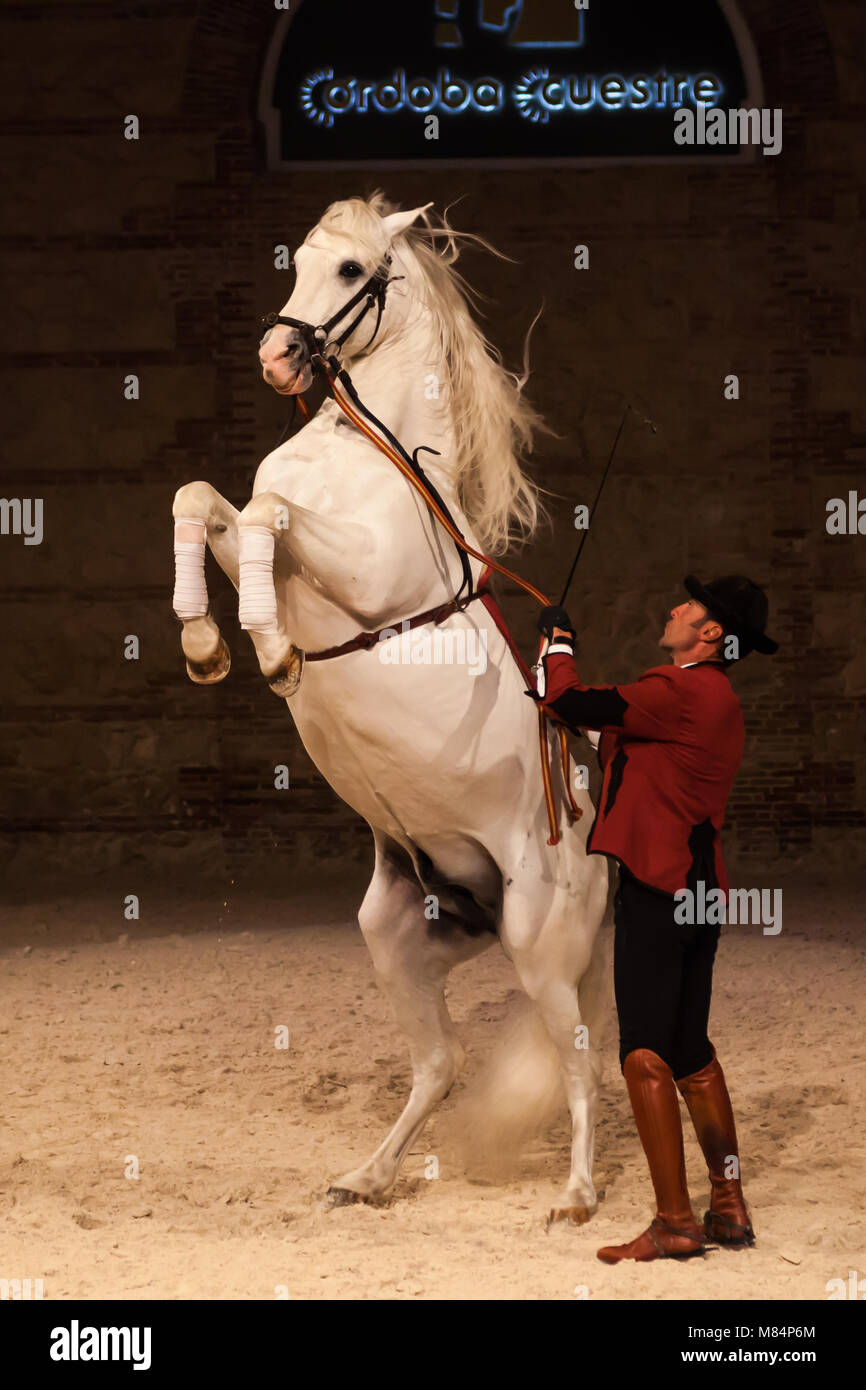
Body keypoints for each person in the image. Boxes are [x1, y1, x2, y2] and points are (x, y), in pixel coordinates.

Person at [527, 576, 777, 1263]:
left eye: (689, 606)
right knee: (690, 1048)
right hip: (699, 889)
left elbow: (574, 699)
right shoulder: (708, 698)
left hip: (659, 887)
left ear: (711, 635)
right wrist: (559, 682)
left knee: (644, 1049)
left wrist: (559, 645)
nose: (673, 608)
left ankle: (674, 1221)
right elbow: (602, 723)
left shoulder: (680, 689)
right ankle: (727, 1206)